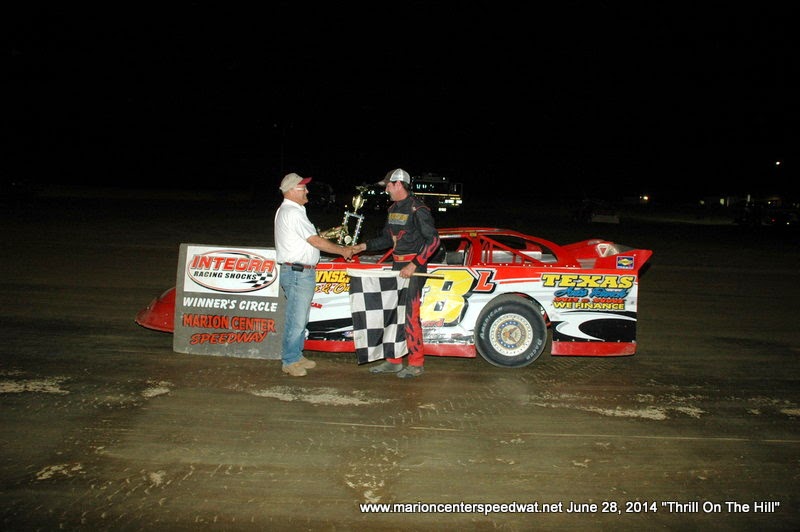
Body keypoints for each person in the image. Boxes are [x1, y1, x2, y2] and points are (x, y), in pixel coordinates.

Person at [350, 168, 440, 378]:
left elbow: (434, 240)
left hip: (414, 269)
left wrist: (414, 264)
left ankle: (416, 363)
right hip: (397, 267)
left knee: (409, 315)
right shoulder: (393, 208)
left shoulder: (418, 208)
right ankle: (393, 361)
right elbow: (386, 239)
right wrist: (361, 246)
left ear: (398, 184)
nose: (386, 190)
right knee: (393, 314)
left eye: (388, 185)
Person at [274, 172, 353, 377]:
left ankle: (296, 355)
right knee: (297, 319)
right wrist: (342, 250)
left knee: (300, 318)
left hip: (298, 272)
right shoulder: (293, 212)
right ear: (292, 190)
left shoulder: (291, 210)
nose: (307, 191)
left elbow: (310, 239)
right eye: (303, 188)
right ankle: (290, 360)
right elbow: (315, 241)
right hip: (298, 273)